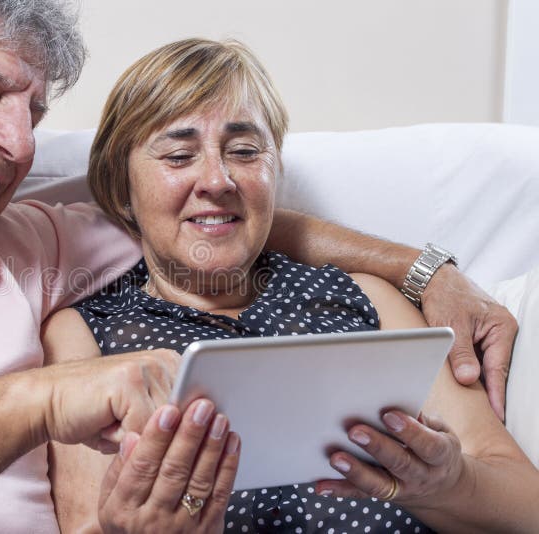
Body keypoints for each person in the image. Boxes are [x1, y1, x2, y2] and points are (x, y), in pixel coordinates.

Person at [0, 1, 517, 531]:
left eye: (34, 112)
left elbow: (221, 216)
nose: (19, 143)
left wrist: (424, 269)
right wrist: (27, 403)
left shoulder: (33, 243)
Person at [42, 38, 539, 533]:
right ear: (120, 187)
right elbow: (87, 521)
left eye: (243, 151)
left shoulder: (369, 301)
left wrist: (449, 485)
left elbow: (524, 500)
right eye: (178, 155)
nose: (218, 180)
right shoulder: (86, 335)